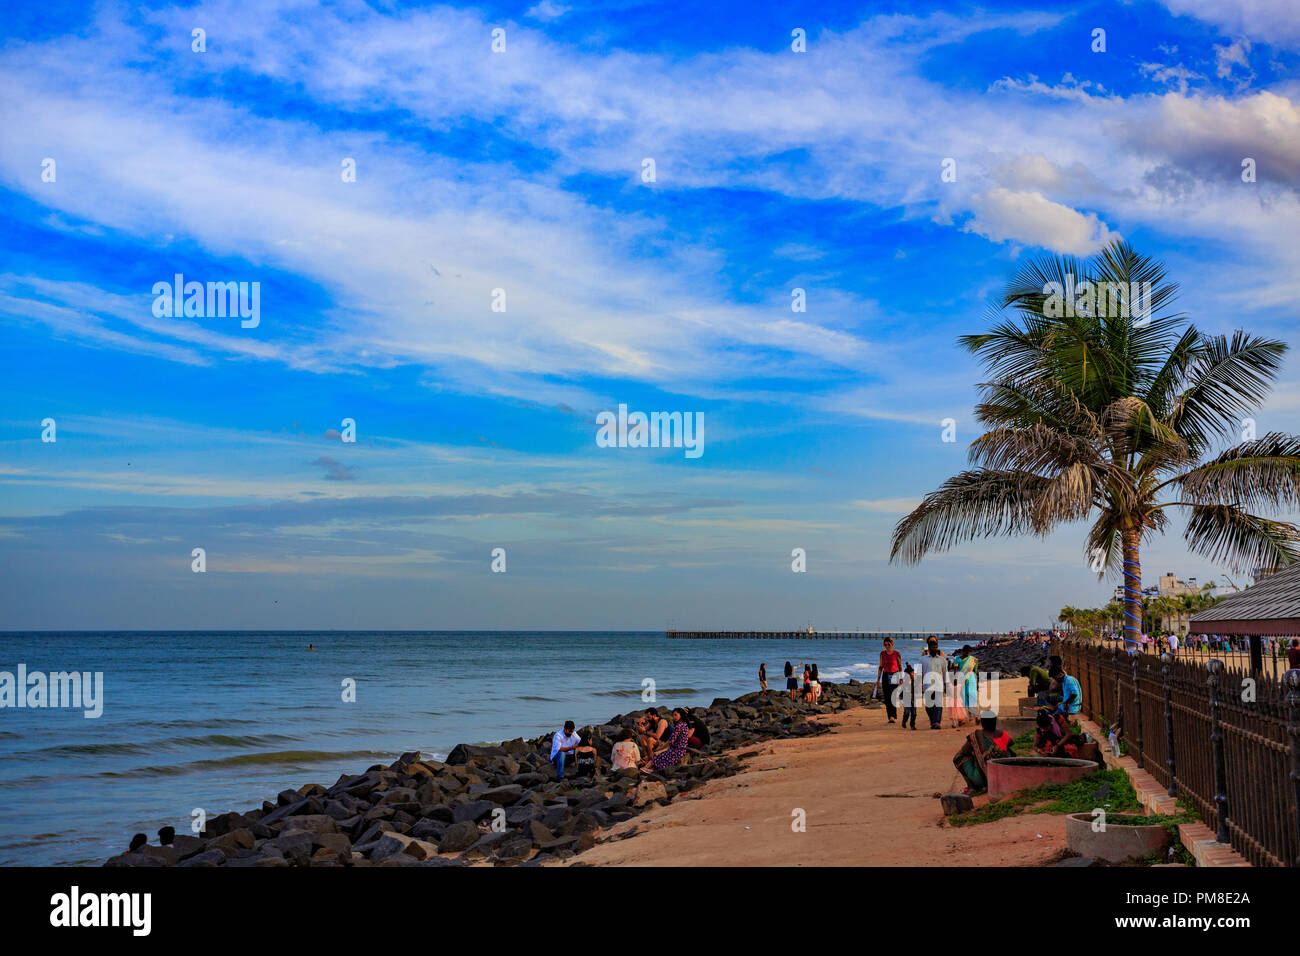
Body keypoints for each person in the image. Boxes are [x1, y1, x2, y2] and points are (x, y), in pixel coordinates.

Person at [952, 714, 1014, 794]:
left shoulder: (977, 735)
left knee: (958, 757)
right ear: (995, 722)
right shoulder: (1003, 733)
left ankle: (971, 787)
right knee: (1007, 751)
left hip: (983, 779)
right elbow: (1010, 744)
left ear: (982, 723)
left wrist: (978, 752)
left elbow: (964, 751)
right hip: (1003, 776)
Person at [921, 637, 946, 729]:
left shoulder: (942, 660)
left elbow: (945, 672)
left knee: (938, 704)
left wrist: (946, 684)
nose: (934, 649)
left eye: (936, 647)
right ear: (929, 648)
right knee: (929, 706)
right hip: (927, 686)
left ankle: (936, 722)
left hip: (939, 685)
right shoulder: (922, 659)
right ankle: (933, 721)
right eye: (932, 647)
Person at [878, 637, 902, 724]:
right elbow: (880, 666)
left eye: (888, 644)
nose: (887, 646)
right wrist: (878, 679)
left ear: (892, 644)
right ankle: (890, 717)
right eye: (885, 645)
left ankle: (894, 715)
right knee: (887, 697)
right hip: (885, 676)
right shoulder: (882, 653)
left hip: (895, 675)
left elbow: (900, 666)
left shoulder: (897, 653)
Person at [896, 663, 918, 729]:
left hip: (914, 699)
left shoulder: (915, 681)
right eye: (912, 673)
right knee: (907, 712)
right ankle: (904, 721)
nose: (914, 674)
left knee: (914, 713)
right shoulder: (904, 682)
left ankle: (912, 725)